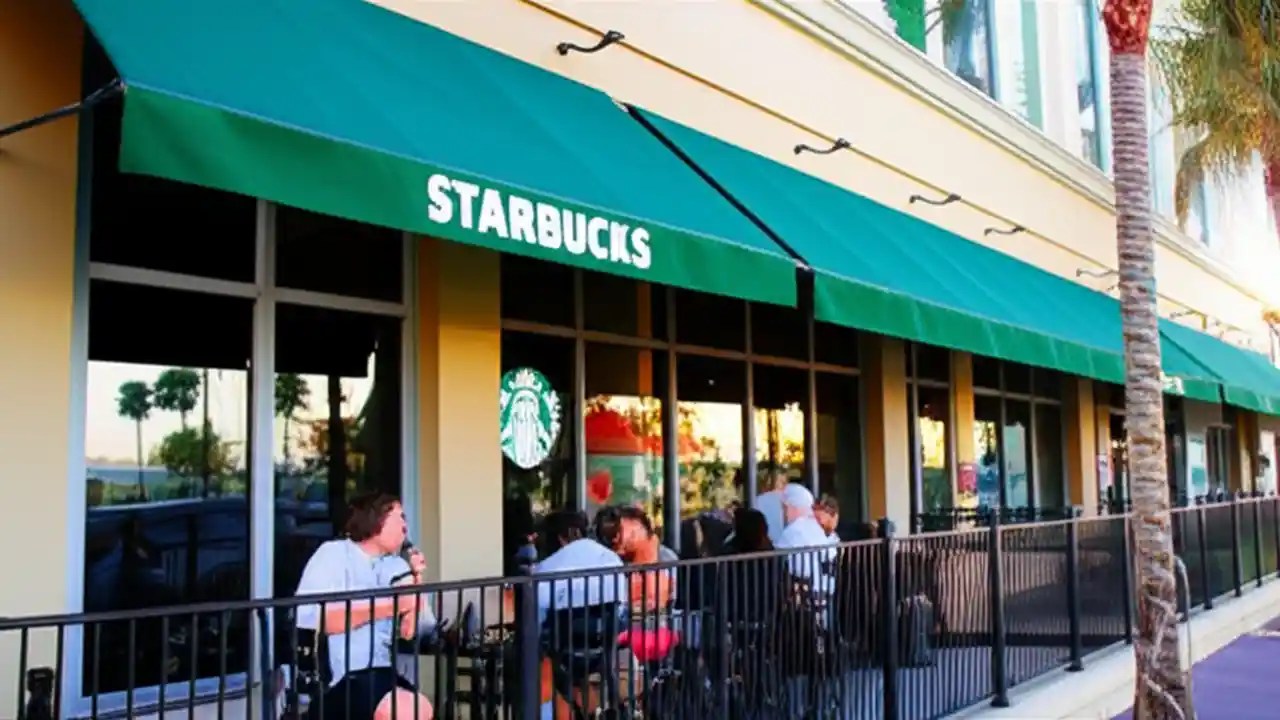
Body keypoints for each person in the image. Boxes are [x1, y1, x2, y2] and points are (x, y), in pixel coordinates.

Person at [294, 492, 435, 720]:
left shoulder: (398, 566)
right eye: (399, 516)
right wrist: (391, 606)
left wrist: (417, 581)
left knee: (423, 708)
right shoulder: (333, 554)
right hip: (340, 676)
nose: (405, 525)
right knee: (404, 711)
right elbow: (318, 620)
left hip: (381, 671)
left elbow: (411, 632)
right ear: (376, 518)